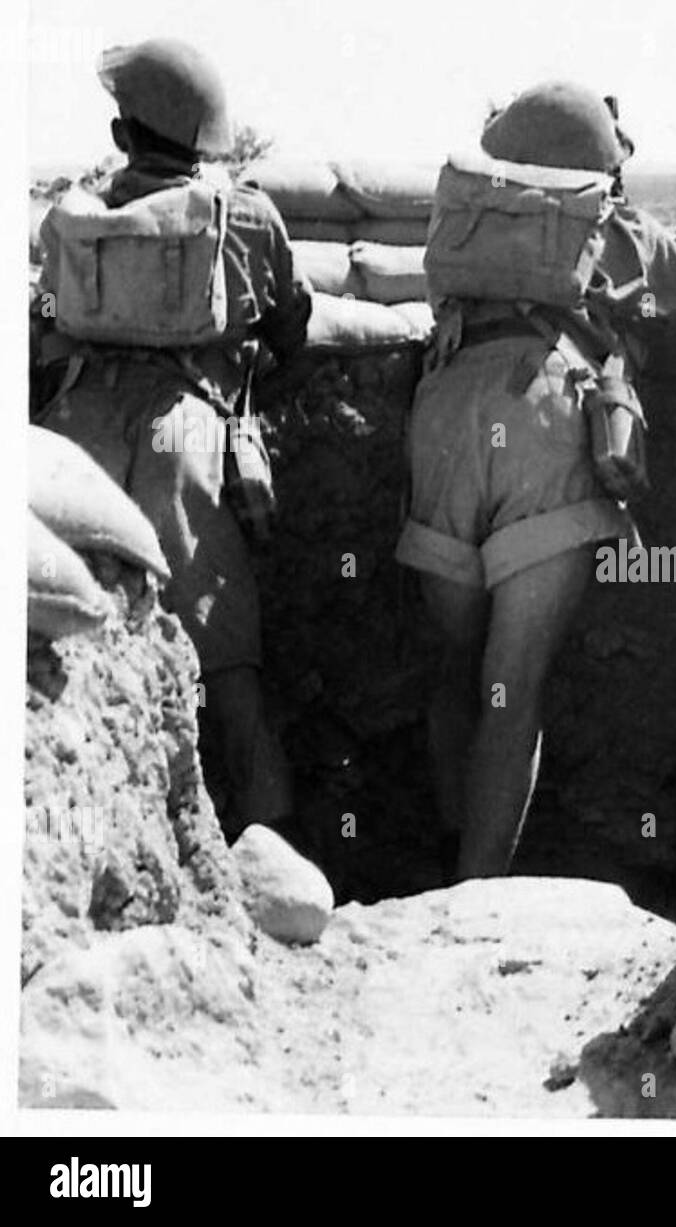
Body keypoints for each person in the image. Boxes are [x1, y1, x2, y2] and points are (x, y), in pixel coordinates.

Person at [396, 81, 676, 880]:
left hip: (445, 407)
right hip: (545, 414)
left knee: (455, 668)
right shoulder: (624, 230)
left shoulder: (467, 218)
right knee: (511, 686)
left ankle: (440, 863)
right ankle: (475, 892)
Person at [33, 38, 312, 838]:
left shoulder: (76, 223)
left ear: (121, 135)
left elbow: (42, 328)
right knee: (228, 668)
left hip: (76, 439)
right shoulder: (246, 215)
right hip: (181, 439)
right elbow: (290, 327)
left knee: (69, 660)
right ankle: (275, 858)